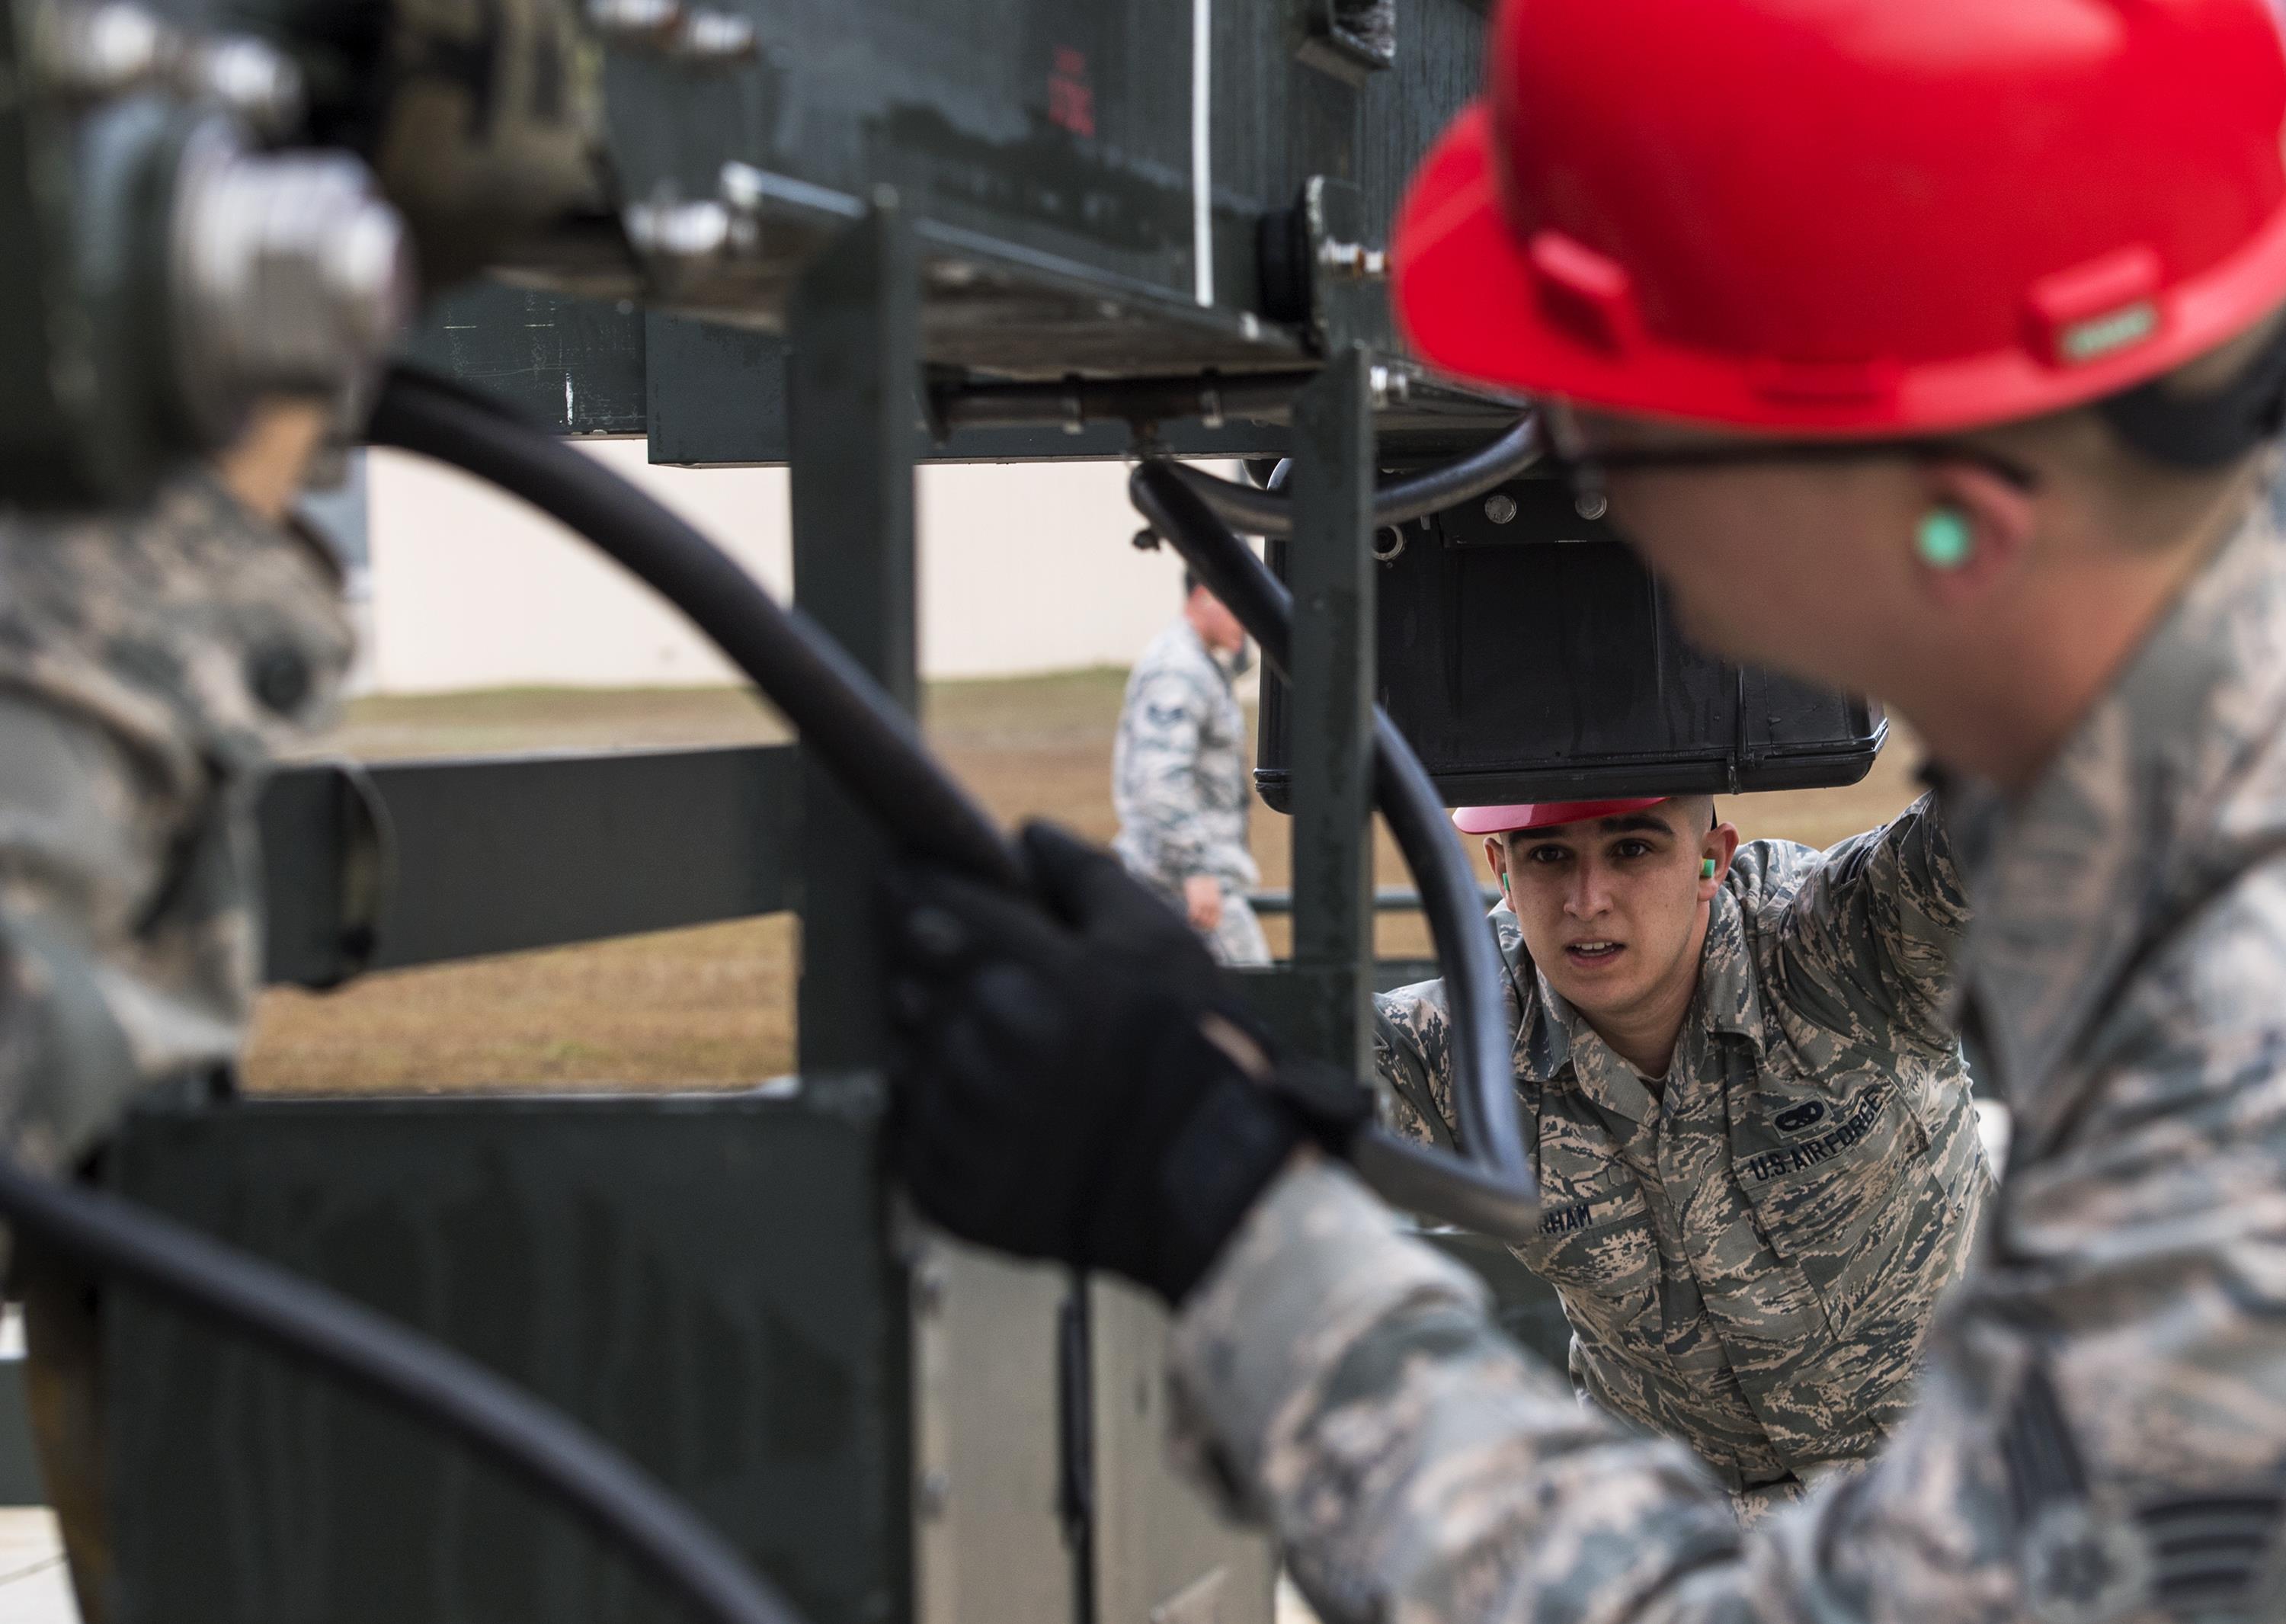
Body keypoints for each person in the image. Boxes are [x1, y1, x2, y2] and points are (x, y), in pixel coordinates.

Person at [881, 2, 2286, 1618]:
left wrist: (1230, 1221)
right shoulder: (2151, 830)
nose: (1587, 485)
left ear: (1942, 517)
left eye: (1626, 431)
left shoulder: (2230, 1021)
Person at [1377, 792, 1987, 1509]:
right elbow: (1266, 1092)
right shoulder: (1462, 1045)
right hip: (1683, 1535)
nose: (1588, 899)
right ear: (1501, 869)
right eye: (1548, 855)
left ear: (1712, 857)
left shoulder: (1844, 941)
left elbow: (2038, 771)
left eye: (1632, 848)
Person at [1111, 569, 1266, 966]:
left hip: (1181, 883)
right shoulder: (1180, 670)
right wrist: (1196, 868)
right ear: (1206, 597)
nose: (1248, 621)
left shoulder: (1194, 663)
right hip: (1190, 890)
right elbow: (1158, 779)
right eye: (1239, 604)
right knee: (1261, 1010)